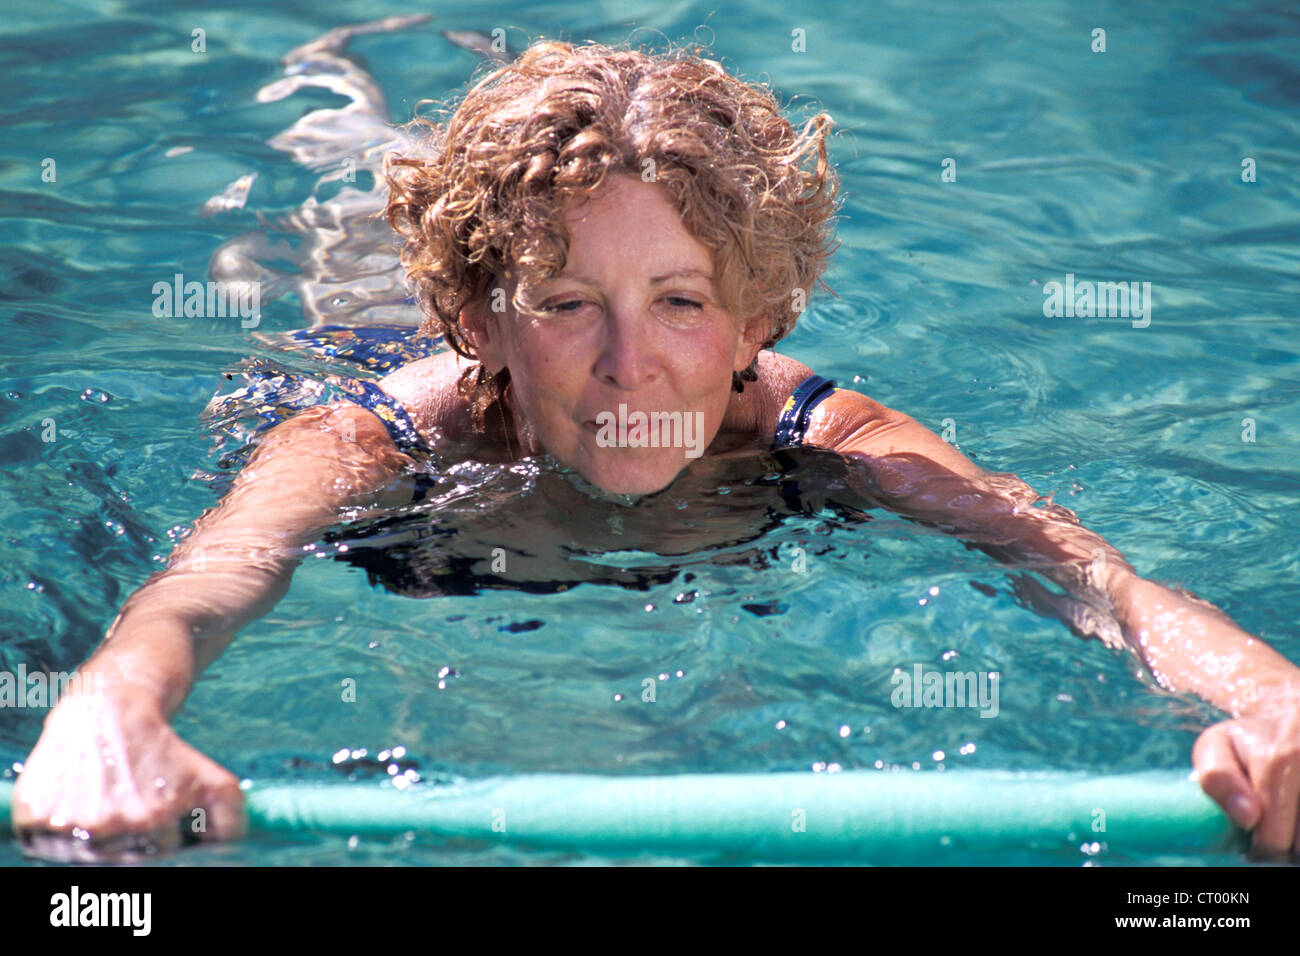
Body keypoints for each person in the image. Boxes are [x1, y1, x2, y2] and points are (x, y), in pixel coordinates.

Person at [13, 39, 1300, 861]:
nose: (629, 365)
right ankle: (336, 94)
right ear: (483, 324)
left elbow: (1093, 578)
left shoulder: (830, 435)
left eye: (680, 302)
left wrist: (1275, 701)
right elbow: (207, 578)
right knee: (327, 240)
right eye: (568, 304)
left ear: (758, 317)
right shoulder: (369, 433)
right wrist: (110, 707)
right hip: (351, 338)